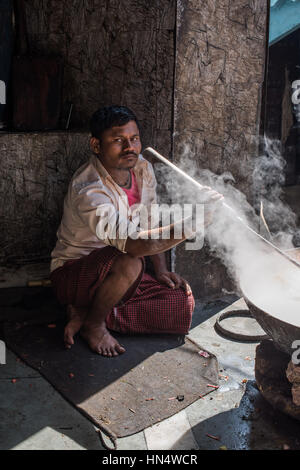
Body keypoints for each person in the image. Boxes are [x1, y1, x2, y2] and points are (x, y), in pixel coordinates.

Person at [50, 105, 222, 357]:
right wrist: (193, 221)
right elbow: (134, 244)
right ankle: (94, 325)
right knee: (131, 262)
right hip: (76, 273)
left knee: (181, 305)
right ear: (96, 146)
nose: (130, 147)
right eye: (118, 140)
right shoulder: (88, 189)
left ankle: (87, 311)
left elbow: (149, 221)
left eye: (134, 139)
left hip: (117, 272)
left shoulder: (142, 168)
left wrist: (161, 269)